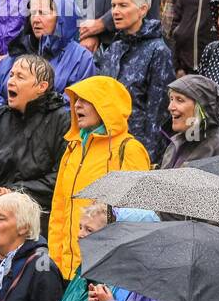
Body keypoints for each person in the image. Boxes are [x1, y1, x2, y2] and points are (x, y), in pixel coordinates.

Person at [48, 75, 152, 280]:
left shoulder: (129, 149)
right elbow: (59, 209)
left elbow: (136, 219)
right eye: (76, 100)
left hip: (102, 271)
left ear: (106, 106)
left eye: (85, 100)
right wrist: (54, 260)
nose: (77, 105)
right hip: (64, 270)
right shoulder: (73, 147)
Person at [0, 54, 72, 233]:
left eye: (20, 77)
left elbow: (61, 178)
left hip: (37, 227)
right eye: (11, 74)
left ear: (41, 87)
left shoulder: (61, 121)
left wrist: (12, 194)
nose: (11, 81)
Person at [0, 0, 95, 114]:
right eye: (33, 13)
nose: (35, 19)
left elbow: (76, 105)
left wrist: (35, 121)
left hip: (55, 132)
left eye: (42, 13)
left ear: (61, 18)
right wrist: (8, 122)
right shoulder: (17, 52)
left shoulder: (81, 59)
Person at [96, 0, 176, 161]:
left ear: (143, 9)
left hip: (137, 148)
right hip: (106, 144)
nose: (115, 11)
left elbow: (158, 115)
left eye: (123, 5)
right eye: (113, 5)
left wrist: (147, 158)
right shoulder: (113, 48)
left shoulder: (158, 51)